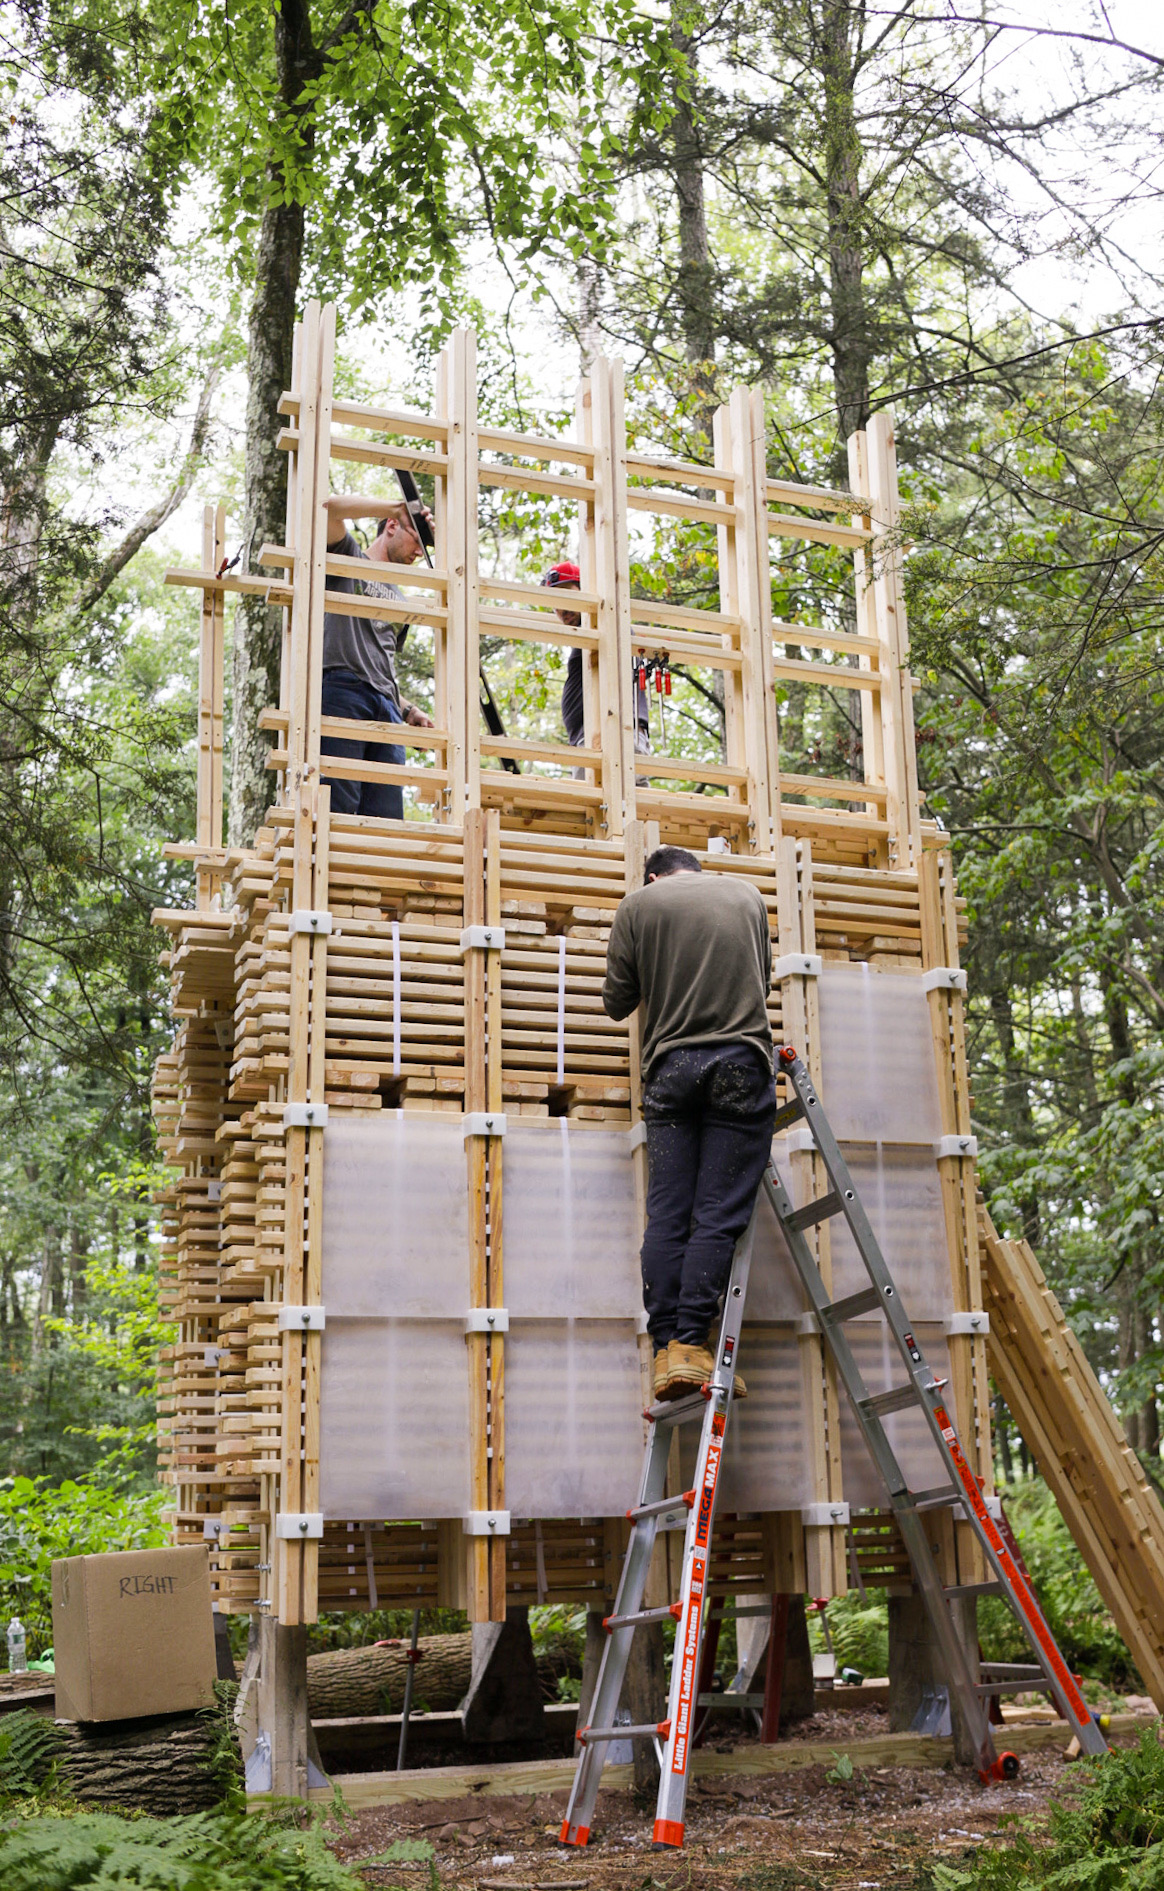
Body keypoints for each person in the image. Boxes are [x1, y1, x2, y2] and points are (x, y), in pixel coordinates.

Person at [602, 845, 776, 1401]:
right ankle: (690, 1344)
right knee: (716, 1215)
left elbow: (616, 1002)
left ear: (653, 877)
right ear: (695, 871)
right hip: (738, 1064)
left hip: (671, 1071)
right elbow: (761, 981)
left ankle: (665, 1351)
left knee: (669, 1212)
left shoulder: (637, 905)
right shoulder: (748, 897)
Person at [321, 496, 435, 819]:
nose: (420, 552)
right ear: (392, 526)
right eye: (417, 541)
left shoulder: (401, 601)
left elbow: (379, 666)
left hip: (388, 708)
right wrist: (395, 507)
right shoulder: (348, 556)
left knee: (386, 821)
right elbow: (326, 508)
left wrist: (408, 709)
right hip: (344, 692)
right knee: (338, 811)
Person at [541, 561, 650, 760]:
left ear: (585, 591)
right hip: (591, 740)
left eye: (566, 595)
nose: (562, 608)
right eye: (555, 603)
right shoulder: (586, 635)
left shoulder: (606, 621)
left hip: (615, 733)